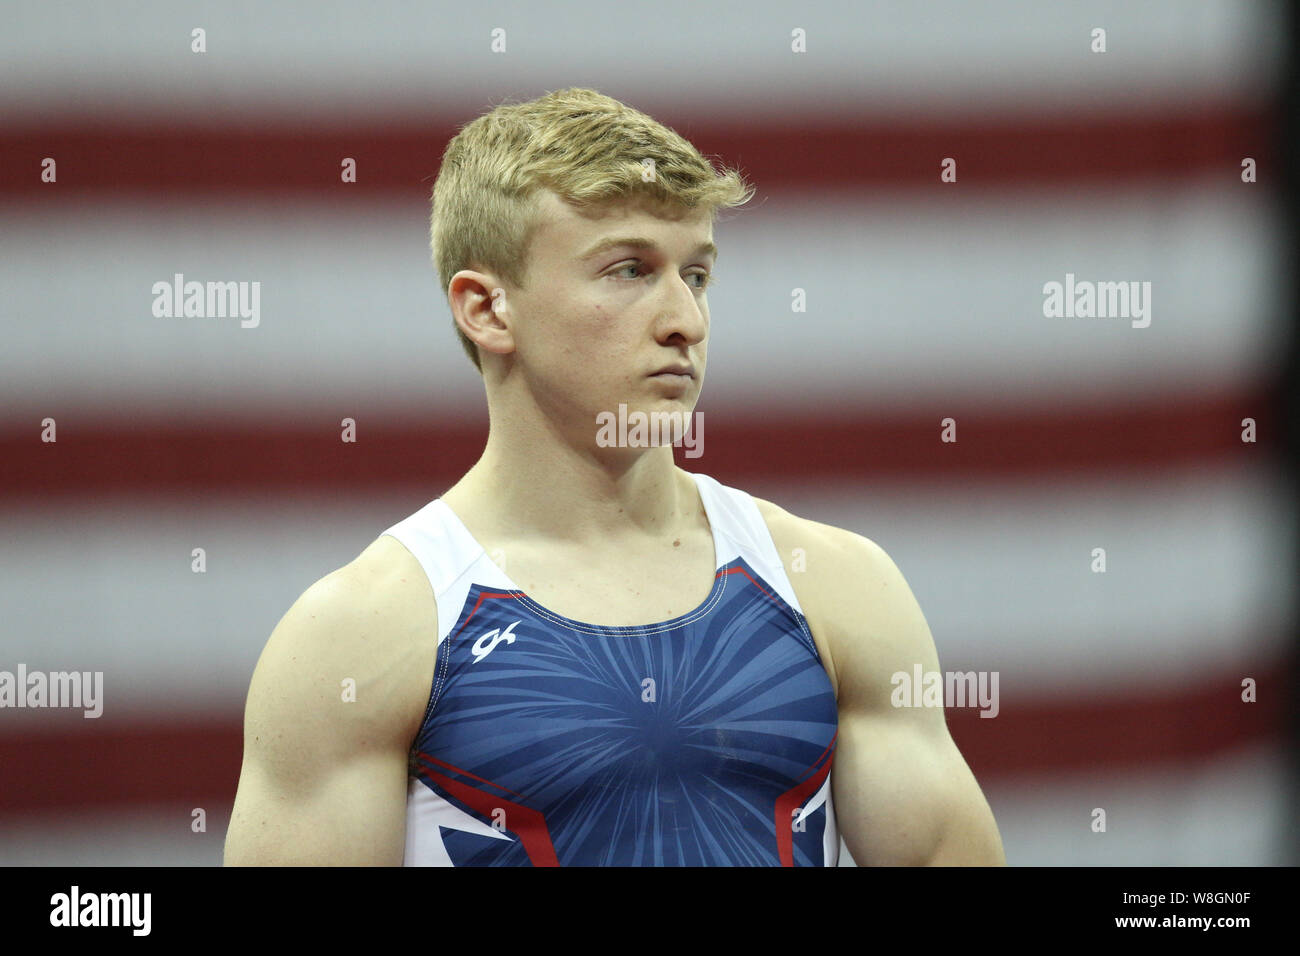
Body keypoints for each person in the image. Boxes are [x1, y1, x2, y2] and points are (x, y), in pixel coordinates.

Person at [223, 87, 1006, 866]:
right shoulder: (363, 634)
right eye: (630, 269)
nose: (685, 321)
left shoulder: (835, 587)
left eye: (696, 275)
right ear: (488, 310)